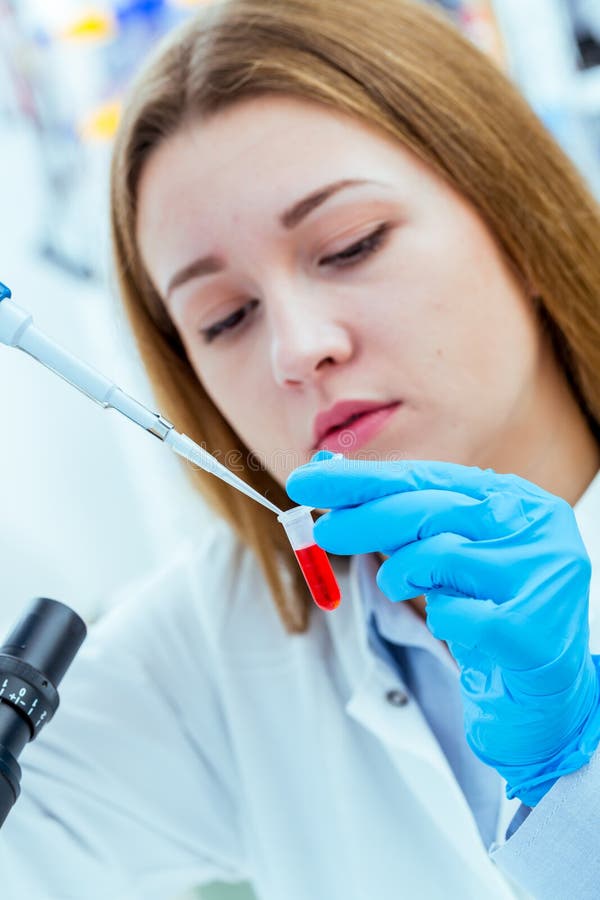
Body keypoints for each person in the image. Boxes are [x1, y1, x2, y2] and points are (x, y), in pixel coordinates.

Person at [2, 0, 600, 897]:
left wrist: (577, 783)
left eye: (350, 245)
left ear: (513, 209)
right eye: (225, 318)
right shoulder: (220, 638)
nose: (295, 349)